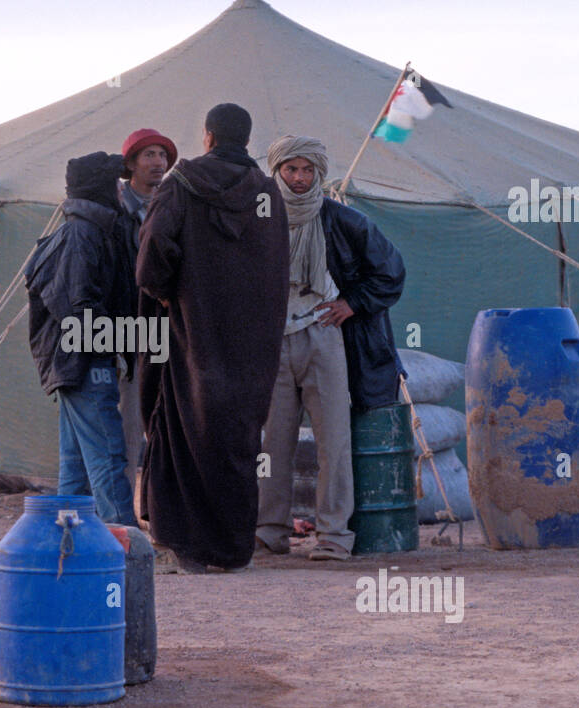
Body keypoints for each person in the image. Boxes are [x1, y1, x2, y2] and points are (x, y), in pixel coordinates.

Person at [136, 104, 289, 572]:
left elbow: (152, 258)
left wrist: (165, 295)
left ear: (207, 137)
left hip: (191, 336)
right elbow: (276, 265)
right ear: (246, 139)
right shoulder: (267, 192)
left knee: (186, 433)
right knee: (240, 439)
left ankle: (189, 544)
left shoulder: (179, 185)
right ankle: (232, 548)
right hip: (253, 343)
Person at [256, 135, 407, 561]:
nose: (299, 178)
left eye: (307, 170)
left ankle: (334, 535)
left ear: (319, 172)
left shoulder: (344, 220)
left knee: (334, 442)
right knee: (273, 444)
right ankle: (270, 532)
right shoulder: (259, 219)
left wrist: (352, 303)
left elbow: (390, 271)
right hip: (273, 340)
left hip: (323, 336)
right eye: (291, 169)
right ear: (276, 171)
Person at [25, 151, 139, 525]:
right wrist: (121, 344)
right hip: (85, 362)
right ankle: (126, 544)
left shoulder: (92, 230)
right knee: (107, 454)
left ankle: (71, 544)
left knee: (75, 466)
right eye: (116, 183)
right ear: (102, 188)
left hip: (77, 362)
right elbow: (77, 306)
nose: (123, 189)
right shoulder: (82, 234)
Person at [116, 128, 177, 516]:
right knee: (126, 425)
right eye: (149, 155)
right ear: (131, 163)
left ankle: (157, 507)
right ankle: (122, 513)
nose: (157, 162)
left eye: (162, 155)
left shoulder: (173, 203)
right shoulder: (113, 207)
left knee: (163, 419)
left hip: (165, 326)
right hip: (124, 327)